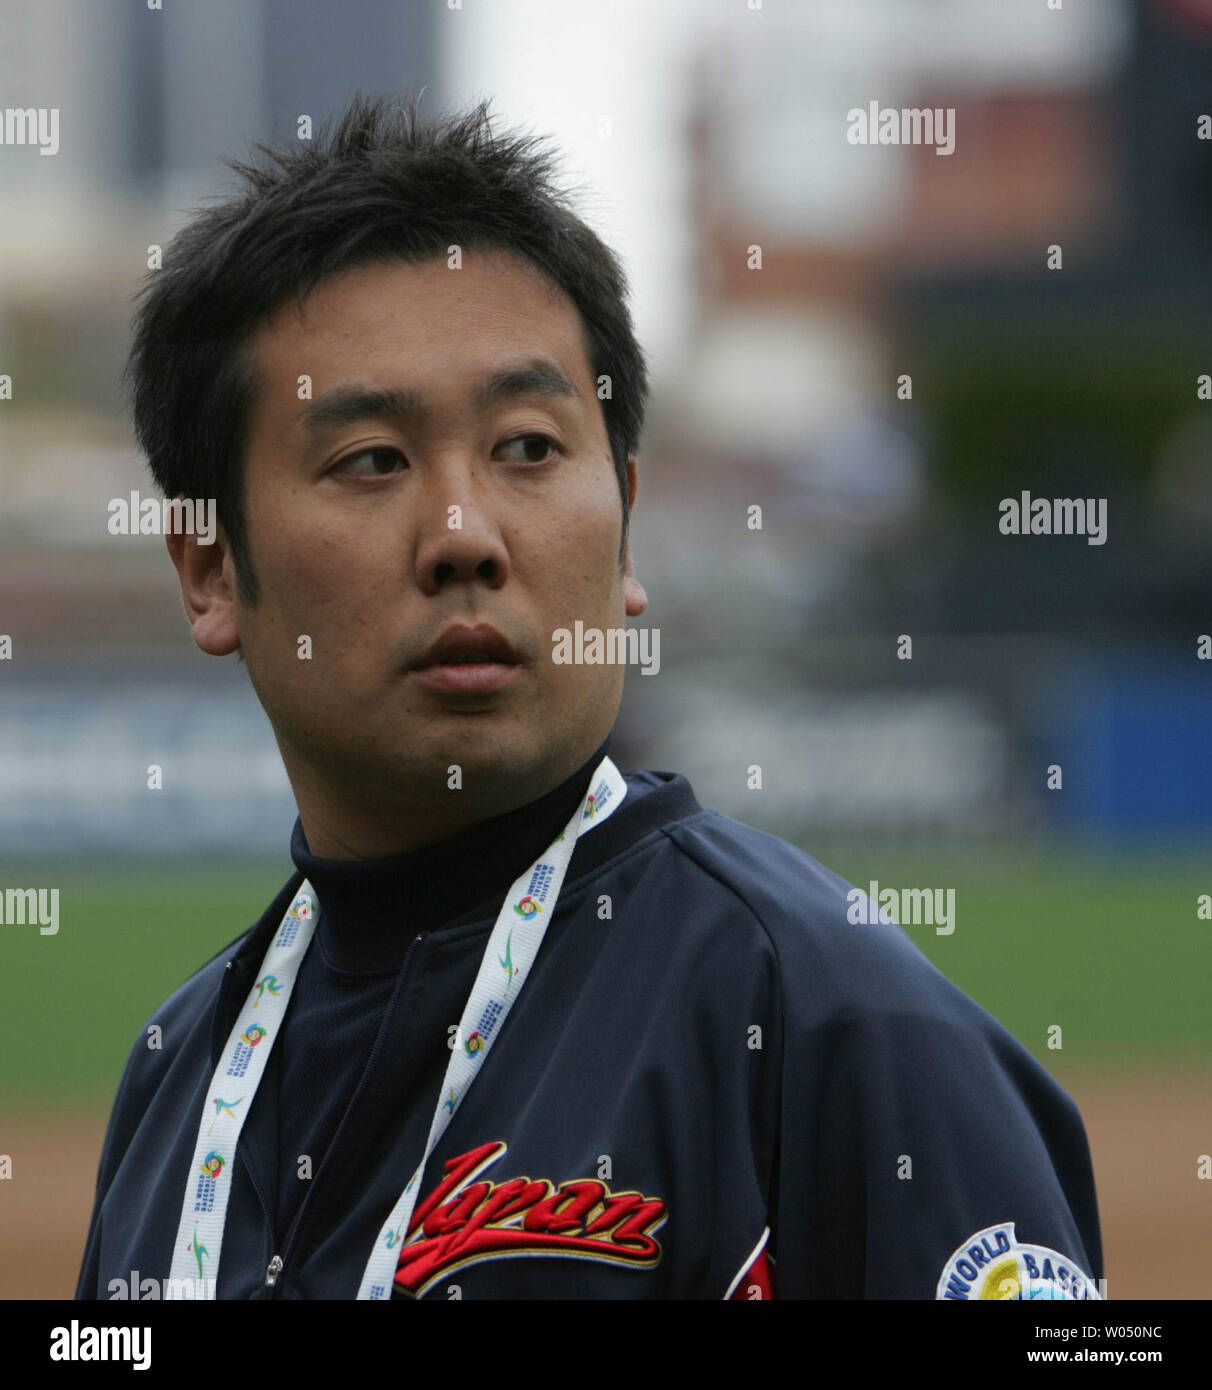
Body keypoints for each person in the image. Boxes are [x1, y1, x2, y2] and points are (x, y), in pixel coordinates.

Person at [75, 92, 1102, 1301]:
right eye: (371, 461)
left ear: (624, 527)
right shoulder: (179, 1084)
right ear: (211, 570)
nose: (465, 537)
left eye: (527, 447)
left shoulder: (834, 1020)